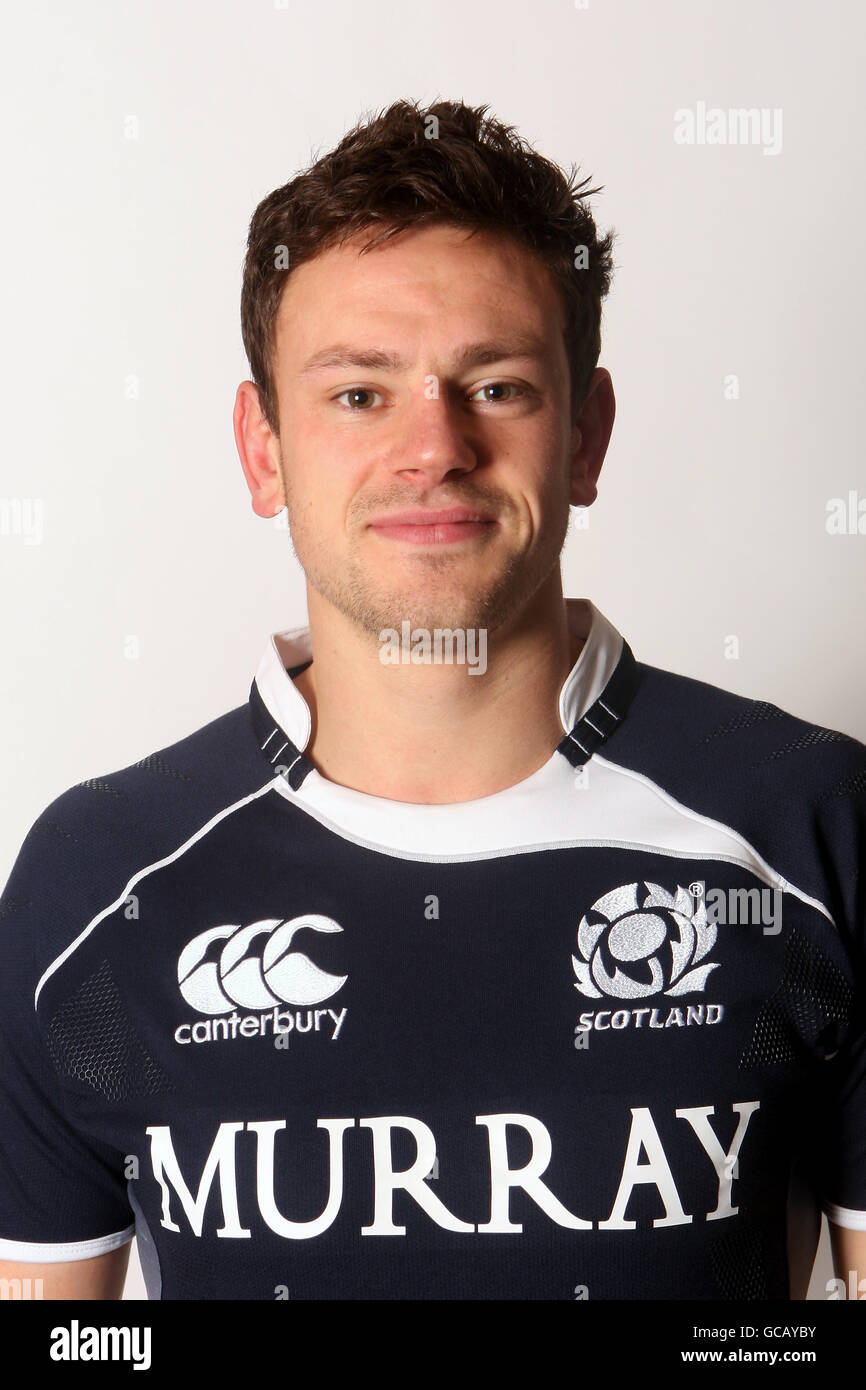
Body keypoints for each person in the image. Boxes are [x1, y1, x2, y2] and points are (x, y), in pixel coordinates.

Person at [0, 98, 863, 1301]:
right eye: (359, 394)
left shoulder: (809, 826)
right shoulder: (97, 882)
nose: (433, 447)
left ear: (584, 434)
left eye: (496, 386)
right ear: (264, 449)